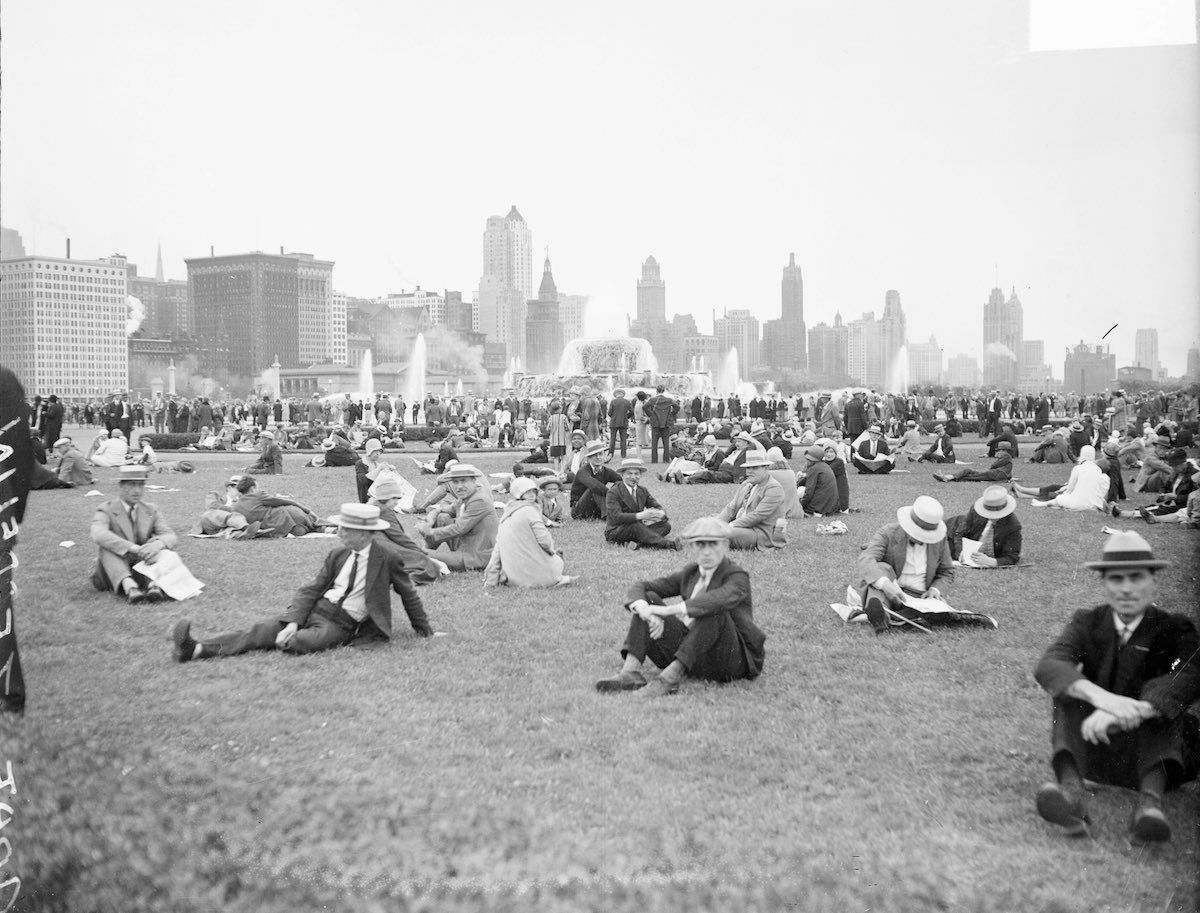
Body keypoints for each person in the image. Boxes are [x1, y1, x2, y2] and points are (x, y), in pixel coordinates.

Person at [1032, 531, 1199, 843]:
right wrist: (1106, 700)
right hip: (1098, 753)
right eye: (1116, 579)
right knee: (1069, 687)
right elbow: (1050, 663)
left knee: (1163, 705)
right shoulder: (1088, 622)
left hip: (1160, 762)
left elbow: (1190, 674)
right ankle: (1071, 796)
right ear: (1104, 584)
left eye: (1136, 578)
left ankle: (1149, 808)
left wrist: (1135, 710)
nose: (1126, 589)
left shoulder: (1175, 628)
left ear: (1153, 581)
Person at [172, 503, 434, 662]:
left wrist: (426, 632)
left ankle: (287, 638)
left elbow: (408, 594)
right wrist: (295, 620)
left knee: (303, 643)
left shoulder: (387, 557)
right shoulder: (338, 554)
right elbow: (313, 589)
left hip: (342, 623)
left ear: (365, 534)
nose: (339, 533)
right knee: (259, 630)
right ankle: (196, 649)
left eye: (346, 529)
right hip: (317, 609)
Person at [594, 517, 766, 698]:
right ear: (692, 548)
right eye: (700, 544)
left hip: (731, 660)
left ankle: (668, 680)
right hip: (695, 655)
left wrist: (666, 611)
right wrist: (646, 609)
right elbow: (643, 586)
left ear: (725, 546)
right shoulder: (691, 573)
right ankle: (630, 672)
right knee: (649, 599)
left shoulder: (737, 576)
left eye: (713, 544)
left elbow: (717, 600)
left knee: (714, 612)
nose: (706, 551)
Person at [851, 495, 954, 634]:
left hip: (920, 596)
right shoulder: (888, 532)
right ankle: (881, 617)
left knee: (940, 614)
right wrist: (885, 585)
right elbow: (866, 558)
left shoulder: (940, 541)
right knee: (882, 569)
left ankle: (895, 616)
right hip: (890, 588)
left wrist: (935, 590)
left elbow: (947, 572)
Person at [89, 465, 183, 603]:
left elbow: (170, 535)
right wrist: (133, 548)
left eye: (140, 485)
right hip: (111, 573)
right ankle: (130, 588)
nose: (137, 491)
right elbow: (98, 534)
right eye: (132, 485)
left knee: (159, 546)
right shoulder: (106, 509)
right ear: (120, 486)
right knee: (106, 547)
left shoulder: (151, 509)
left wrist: (156, 544)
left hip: (142, 569)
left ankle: (154, 586)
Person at [484, 478, 574, 588]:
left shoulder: (505, 515)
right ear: (519, 493)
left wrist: (491, 580)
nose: (531, 494)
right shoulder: (530, 511)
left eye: (533, 491)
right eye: (527, 492)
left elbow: (497, 551)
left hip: (513, 579)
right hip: (539, 578)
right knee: (557, 561)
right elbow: (545, 542)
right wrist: (551, 553)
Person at [415, 464, 498, 571]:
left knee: (417, 554)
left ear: (474, 481)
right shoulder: (467, 496)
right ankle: (427, 550)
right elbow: (444, 509)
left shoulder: (479, 500)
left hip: (477, 556)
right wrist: (432, 517)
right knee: (442, 517)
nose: (459, 486)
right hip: (465, 547)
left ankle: (425, 553)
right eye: (455, 482)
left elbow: (458, 528)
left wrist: (429, 531)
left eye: (463, 481)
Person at [367, 475, 446, 584]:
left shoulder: (375, 506)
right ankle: (402, 579)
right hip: (385, 549)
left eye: (398, 498)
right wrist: (420, 551)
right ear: (384, 498)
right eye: (393, 498)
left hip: (381, 548)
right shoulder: (384, 511)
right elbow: (399, 537)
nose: (396, 502)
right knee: (431, 567)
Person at [713, 452, 786, 549]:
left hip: (760, 533)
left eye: (755, 468)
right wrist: (717, 523)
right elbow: (731, 508)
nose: (749, 471)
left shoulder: (773, 488)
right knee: (710, 521)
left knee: (723, 533)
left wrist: (730, 525)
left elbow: (757, 515)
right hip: (742, 526)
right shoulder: (747, 484)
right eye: (748, 468)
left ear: (766, 468)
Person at [604, 458, 676, 551]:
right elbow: (616, 516)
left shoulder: (642, 490)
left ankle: (637, 544)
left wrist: (660, 513)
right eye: (629, 473)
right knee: (635, 526)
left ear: (640, 475)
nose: (633, 477)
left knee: (665, 526)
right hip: (616, 531)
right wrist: (641, 515)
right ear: (622, 475)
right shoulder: (613, 492)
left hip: (638, 527)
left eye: (636, 474)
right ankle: (667, 544)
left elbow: (655, 505)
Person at [945, 485, 1022, 567]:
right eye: (988, 513)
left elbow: (1012, 556)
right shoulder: (975, 511)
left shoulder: (1013, 526)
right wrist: (961, 551)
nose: (992, 516)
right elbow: (959, 533)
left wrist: (993, 562)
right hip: (949, 530)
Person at [1012, 446, 1109, 511]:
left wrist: (1063, 491)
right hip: (1093, 501)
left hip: (1079, 498)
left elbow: (1070, 488)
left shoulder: (1078, 468)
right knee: (1056, 491)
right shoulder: (1097, 470)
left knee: (1059, 496)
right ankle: (1024, 493)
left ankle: (1041, 502)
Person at [231, 476, 323, 537]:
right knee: (315, 522)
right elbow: (284, 501)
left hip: (273, 532)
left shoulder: (235, 507)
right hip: (288, 519)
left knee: (306, 527)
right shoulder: (257, 495)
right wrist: (308, 511)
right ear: (252, 488)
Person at [570, 441, 621, 520]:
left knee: (618, 485)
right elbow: (595, 486)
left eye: (600, 454)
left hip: (595, 509)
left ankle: (613, 514)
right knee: (594, 489)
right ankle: (610, 516)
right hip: (578, 510)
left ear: (604, 456)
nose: (598, 457)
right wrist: (612, 495)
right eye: (594, 455)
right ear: (589, 458)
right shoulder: (582, 471)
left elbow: (621, 480)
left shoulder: (606, 471)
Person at [933, 441, 1014, 483]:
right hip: (994, 474)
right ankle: (948, 477)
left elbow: (994, 465)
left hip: (995, 474)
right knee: (968, 472)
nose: (997, 452)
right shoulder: (1007, 458)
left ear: (1004, 450)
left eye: (999, 450)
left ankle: (946, 477)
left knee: (971, 477)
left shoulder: (1006, 456)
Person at [799, 444, 840, 517]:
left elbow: (809, 492)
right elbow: (804, 480)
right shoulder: (824, 466)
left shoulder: (814, 469)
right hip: (830, 507)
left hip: (818, 508)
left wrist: (800, 505)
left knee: (800, 490)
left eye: (808, 460)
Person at [644, 385, 678, 463]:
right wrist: (672, 414)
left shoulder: (652, 400)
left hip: (655, 423)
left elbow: (645, 407)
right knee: (666, 443)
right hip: (666, 422)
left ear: (656, 391)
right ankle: (666, 460)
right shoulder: (669, 400)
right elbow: (677, 407)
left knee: (654, 443)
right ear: (664, 390)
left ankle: (654, 460)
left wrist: (651, 415)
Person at [607, 389, 632, 458]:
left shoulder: (613, 401)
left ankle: (610, 454)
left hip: (614, 422)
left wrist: (613, 416)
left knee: (612, 440)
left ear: (616, 394)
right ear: (622, 394)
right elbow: (631, 412)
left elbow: (609, 413)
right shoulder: (627, 402)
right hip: (624, 421)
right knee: (623, 440)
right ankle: (623, 455)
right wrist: (627, 417)